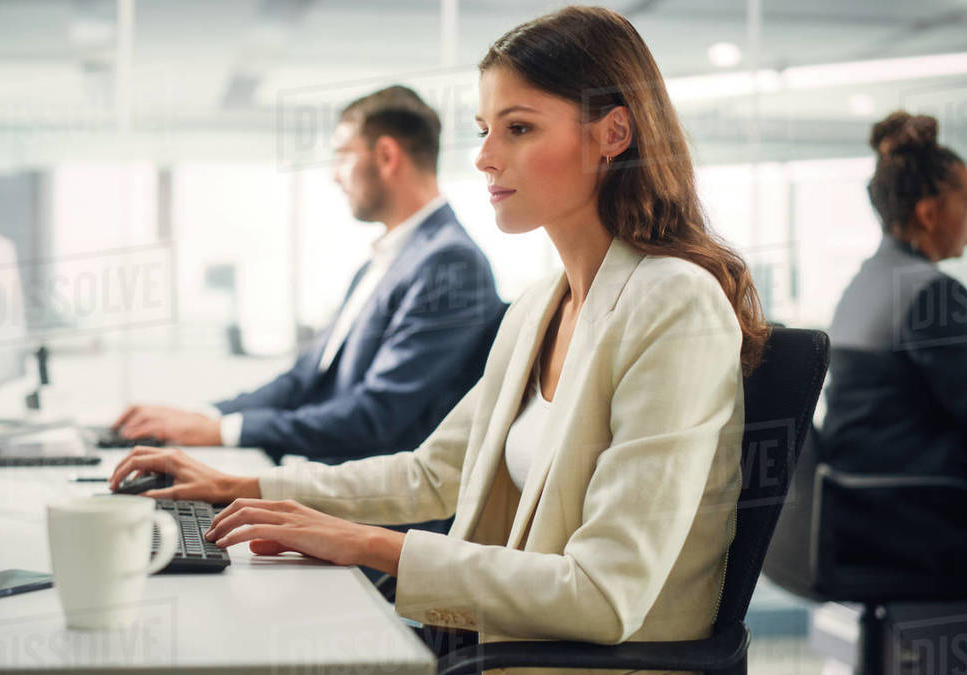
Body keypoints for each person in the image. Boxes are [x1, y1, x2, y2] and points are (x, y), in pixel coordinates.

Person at [110, 5, 768, 659]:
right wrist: (243, 487)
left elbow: (604, 592)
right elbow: (432, 473)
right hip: (509, 645)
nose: (484, 158)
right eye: (485, 129)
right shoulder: (540, 305)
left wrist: (370, 544)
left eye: (517, 128)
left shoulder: (676, 305)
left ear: (613, 133)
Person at [112, 86, 505, 464]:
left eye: (342, 155)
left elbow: (378, 416)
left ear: (386, 156)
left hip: (379, 514)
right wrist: (202, 418)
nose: (334, 176)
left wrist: (226, 432)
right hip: (332, 487)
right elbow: (303, 380)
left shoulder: (450, 264)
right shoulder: (382, 261)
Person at [821, 111, 967, 576]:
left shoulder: (867, 280)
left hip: (855, 501)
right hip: (909, 507)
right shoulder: (929, 291)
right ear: (930, 212)